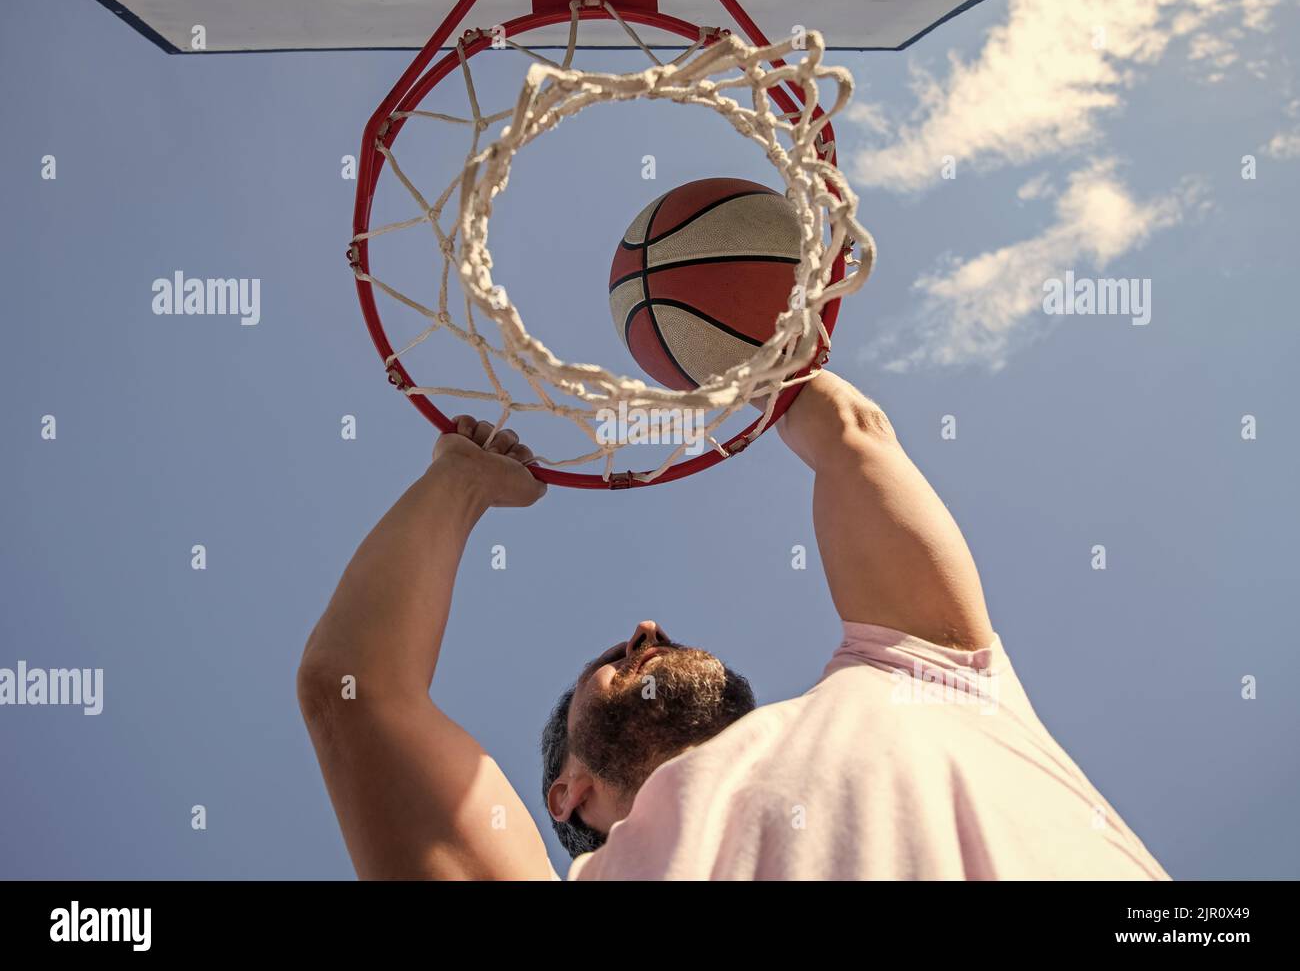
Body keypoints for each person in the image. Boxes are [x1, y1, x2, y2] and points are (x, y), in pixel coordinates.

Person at [297, 370, 1169, 880]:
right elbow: (354, 692)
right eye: (614, 657)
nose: (646, 627)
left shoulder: (918, 671)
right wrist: (461, 475)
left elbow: (853, 434)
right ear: (569, 796)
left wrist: (754, 339)